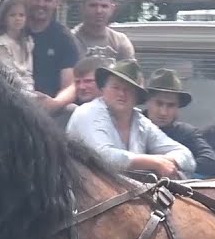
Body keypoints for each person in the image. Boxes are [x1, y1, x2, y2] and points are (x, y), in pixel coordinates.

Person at [66, 60, 194, 178]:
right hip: (82, 191)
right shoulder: (87, 112)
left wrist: (164, 162)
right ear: (103, 90)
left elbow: (186, 157)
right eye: (116, 87)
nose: (122, 94)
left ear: (137, 96)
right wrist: (154, 162)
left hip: (127, 193)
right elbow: (102, 157)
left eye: (128, 89)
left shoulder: (141, 122)